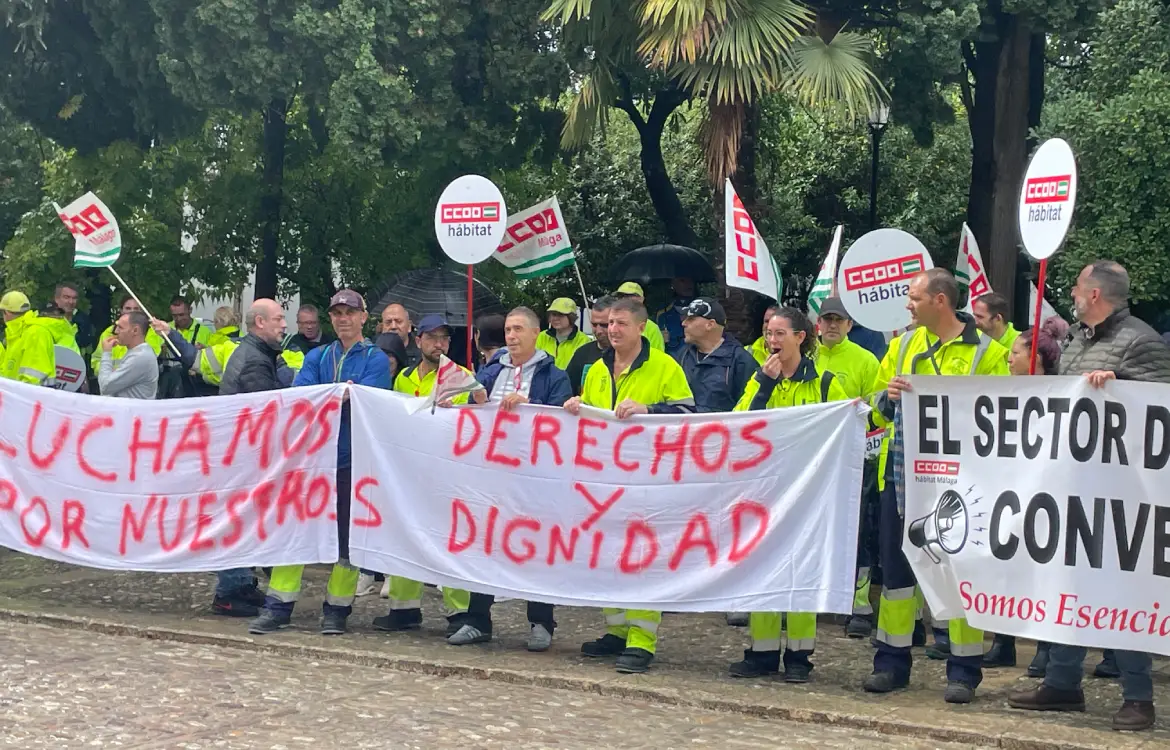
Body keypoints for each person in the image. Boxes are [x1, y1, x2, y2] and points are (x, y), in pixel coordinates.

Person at [1009, 260, 1170, 732]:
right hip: (1074, 483)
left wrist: (1121, 387)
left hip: (1123, 494)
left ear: (1095, 294)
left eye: (1078, 286)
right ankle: (1062, 683)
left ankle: (1138, 696)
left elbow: (1160, 407)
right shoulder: (1077, 340)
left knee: (1122, 589)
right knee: (1070, 584)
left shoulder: (1141, 340)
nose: (1073, 294)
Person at [863, 269, 1008, 705]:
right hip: (901, 478)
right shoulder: (901, 347)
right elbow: (873, 413)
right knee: (897, 577)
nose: (907, 304)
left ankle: (964, 671)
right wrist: (887, 398)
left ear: (940, 300)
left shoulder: (989, 353)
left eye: (914, 297)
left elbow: (1002, 416)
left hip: (961, 484)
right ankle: (890, 663)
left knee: (959, 573)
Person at [249, 290, 392, 637]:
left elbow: (367, 401)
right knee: (295, 530)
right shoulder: (318, 355)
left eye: (349, 313)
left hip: (351, 459)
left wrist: (334, 394)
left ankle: (337, 611)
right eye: (337, 313)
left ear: (363, 318)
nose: (343, 319)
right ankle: (278, 607)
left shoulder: (375, 359)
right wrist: (340, 392)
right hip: (312, 459)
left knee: (346, 539)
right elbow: (303, 395)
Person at [565, 296, 694, 674]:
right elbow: (593, 414)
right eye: (608, 323)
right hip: (604, 480)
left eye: (621, 323)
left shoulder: (665, 366)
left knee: (641, 559)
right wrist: (577, 406)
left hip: (647, 480)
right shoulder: (596, 369)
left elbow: (688, 414)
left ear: (641, 327)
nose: (612, 330)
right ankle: (617, 630)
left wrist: (648, 410)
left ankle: (641, 639)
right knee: (608, 554)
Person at [727, 306, 847, 683]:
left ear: (800, 337)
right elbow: (741, 422)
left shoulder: (825, 383)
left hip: (809, 495)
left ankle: (798, 656)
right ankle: (761, 652)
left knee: (800, 572)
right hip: (765, 492)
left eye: (780, 333)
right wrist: (764, 384)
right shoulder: (761, 378)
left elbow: (843, 429)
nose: (772, 341)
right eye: (769, 333)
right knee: (763, 569)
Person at [449, 307, 573, 652]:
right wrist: (475, 399)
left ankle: (541, 622)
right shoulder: (490, 372)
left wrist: (531, 405)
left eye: (518, 329)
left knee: (536, 548)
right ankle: (477, 620)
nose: (512, 336)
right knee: (485, 544)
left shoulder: (555, 376)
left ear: (536, 333)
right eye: (507, 330)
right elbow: (470, 410)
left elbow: (561, 421)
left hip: (536, 477)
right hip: (493, 475)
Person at [375, 314, 473, 634]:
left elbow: (470, 423)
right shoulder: (403, 378)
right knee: (406, 536)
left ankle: (460, 612)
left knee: (450, 542)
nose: (439, 344)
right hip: (408, 473)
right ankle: (404, 608)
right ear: (418, 341)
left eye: (444, 338)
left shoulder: (462, 377)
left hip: (446, 473)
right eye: (432, 338)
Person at [980, 320, 1064, 671]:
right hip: (1008, 492)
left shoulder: (1061, 395)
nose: (1008, 358)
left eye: (1015, 353)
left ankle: (1045, 646)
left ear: (1036, 359)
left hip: (1045, 495)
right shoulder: (1005, 391)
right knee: (1007, 568)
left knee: (1042, 571)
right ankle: (1003, 641)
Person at [210, 300, 288, 618]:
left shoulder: (253, 353)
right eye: (279, 319)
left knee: (243, 518)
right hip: (243, 455)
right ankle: (229, 592)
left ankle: (240, 583)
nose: (285, 325)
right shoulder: (255, 361)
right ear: (260, 322)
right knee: (238, 520)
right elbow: (266, 411)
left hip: (238, 452)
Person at [812, 297, 882, 638]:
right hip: (811, 461)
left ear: (850, 325)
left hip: (853, 459)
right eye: (827, 319)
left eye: (838, 320)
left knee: (858, 528)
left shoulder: (865, 360)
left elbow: (877, 412)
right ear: (818, 324)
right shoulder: (807, 356)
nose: (832, 325)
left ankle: (859, 602)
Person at [676, 297, 757, 412]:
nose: (684, 323)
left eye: (691, 319)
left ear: (710, 324)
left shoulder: (740, 360)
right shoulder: (682, 356)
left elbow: (750, 407)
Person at [90, 296, 165, 374]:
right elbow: (96, 361)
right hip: (110, 378)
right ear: (121, 311)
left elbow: (148, 360)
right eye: (128, 308)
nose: (132, 312)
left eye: (136, 309)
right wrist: (109, 372)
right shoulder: (109, 332)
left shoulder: (152, 332)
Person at [96, 310, 159, 399]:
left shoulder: (140, 356)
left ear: (135, 330)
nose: (116, 331)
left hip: (134, 407)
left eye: (120, 327)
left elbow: (105, 387)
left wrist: (106, 352)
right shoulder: (137, 352)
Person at [158, 296, 211, 399]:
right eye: (174, 316)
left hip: (193, 385)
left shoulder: (205, 332)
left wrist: (204, 349)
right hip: (168, 383)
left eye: (182, 315)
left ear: (190, 310)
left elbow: (210, 360)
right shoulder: (163, 329)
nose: (178, 319)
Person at [0, 292, 56, 386]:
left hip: (30, 394)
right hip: (18, 393)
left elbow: (33, 376)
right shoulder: (17, 334)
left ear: (6, 312)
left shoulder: (34, 333)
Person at [564, 296, 614, 397]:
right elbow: (566, 390)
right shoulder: (582, 354)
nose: (598, 331)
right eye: (594, 325)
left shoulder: (630, 354)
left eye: (604, 325)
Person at [536, 297, 592, 369]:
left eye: (560, 314)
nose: (555, 318)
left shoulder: (583, 340)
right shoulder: (542, 337)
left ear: (571, 317)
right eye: (553, 314)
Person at [613, 282, 666, 351]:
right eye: (620, 296)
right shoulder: (610, 325)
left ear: (641, 299)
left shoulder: (652, 329)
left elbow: (658, 355)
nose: (624, 300)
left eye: (629, 296)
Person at [654, 276, 696, 356]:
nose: (688, 284)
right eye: (682, 281)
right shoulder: (663, 315)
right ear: (673, 284)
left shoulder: (702, 313)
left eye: (691, 281)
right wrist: (660, 339)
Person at [53, 282, 93, 357]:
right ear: (56, 299)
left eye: (74, 298)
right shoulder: (47, 319)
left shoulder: (83, 320)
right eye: (66, 297)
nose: (71, 302)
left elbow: (87, 348)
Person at [380, 302, 421, 368]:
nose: (393, 326)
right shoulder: (372, 352)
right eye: (388, 322)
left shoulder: (421, 354)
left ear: (409, 326)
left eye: (398, 321)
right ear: (382, 327)